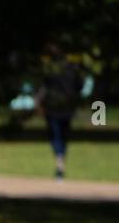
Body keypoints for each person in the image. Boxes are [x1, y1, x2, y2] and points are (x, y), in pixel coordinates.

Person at [36, 44, 85, 180]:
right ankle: (61, 160)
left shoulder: (50, 69)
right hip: (67, 107)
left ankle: (59, 161)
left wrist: (39, 103)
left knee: (56, 135)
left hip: (53, 107)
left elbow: (43, 88)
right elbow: (80, 86)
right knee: (63, 135)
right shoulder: (72, 68)